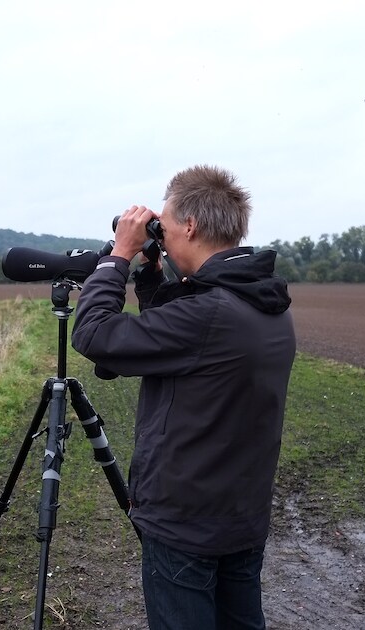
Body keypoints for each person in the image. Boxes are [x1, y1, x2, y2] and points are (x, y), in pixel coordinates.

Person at [71, 164, 296, 629]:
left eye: (167, 226)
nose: (164, 235)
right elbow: (178, 344)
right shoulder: (264, 303)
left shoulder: (210, 314)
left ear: (189, 227)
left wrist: (117, 257)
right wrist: (152, 277)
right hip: (240, 516)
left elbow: (94, 334)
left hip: (186, 526)